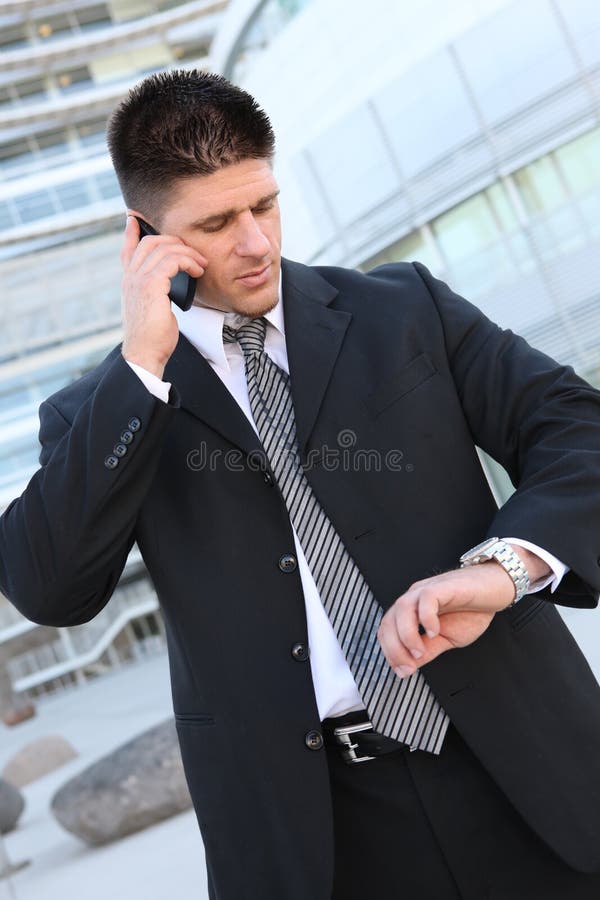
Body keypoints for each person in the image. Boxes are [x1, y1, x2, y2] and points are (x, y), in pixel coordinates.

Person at [1, 69, 600, 900]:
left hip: (532, 776)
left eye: (265, 205)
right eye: (215, 222)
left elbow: (579, 428)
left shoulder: (406, 308)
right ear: (143, 238)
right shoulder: (102, 411)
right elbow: (48, 586)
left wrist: (504, 569)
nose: (256, 242)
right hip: (314, 842)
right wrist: (142, 366)